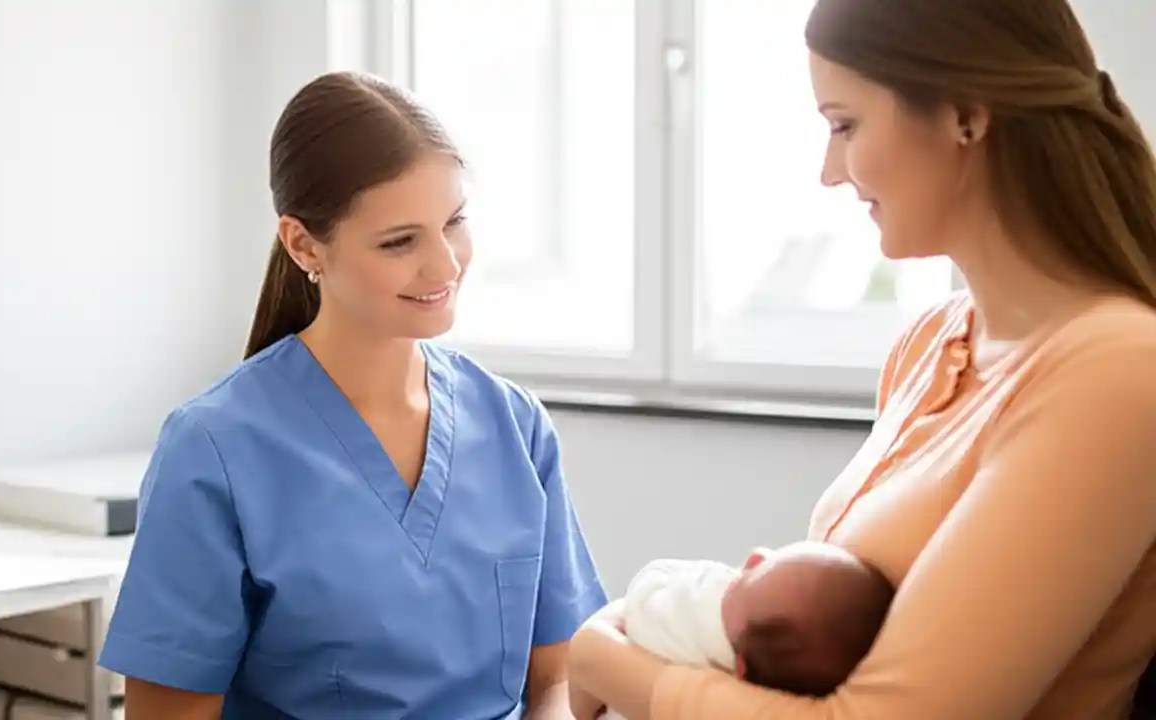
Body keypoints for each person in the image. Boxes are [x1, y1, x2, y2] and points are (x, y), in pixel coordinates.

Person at [567, 1, 1156, 718]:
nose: (828, 171)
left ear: (965, 116)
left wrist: (605, 656)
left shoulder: (1119, 371)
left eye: (844, 125)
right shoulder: (931, 344)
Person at [97, 70, 608, 719]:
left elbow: (559, 682)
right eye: (401, 241)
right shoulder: (215, 448)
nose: (445, 265)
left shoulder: (514, 426)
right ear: (304, 244)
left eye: (453, 222)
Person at [598, 542, 893, 719]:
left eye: (740, 582)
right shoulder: (770, 677)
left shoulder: (697, 640)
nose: (753, 557)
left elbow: (643, 600)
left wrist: (665, 572)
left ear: (740, 668)